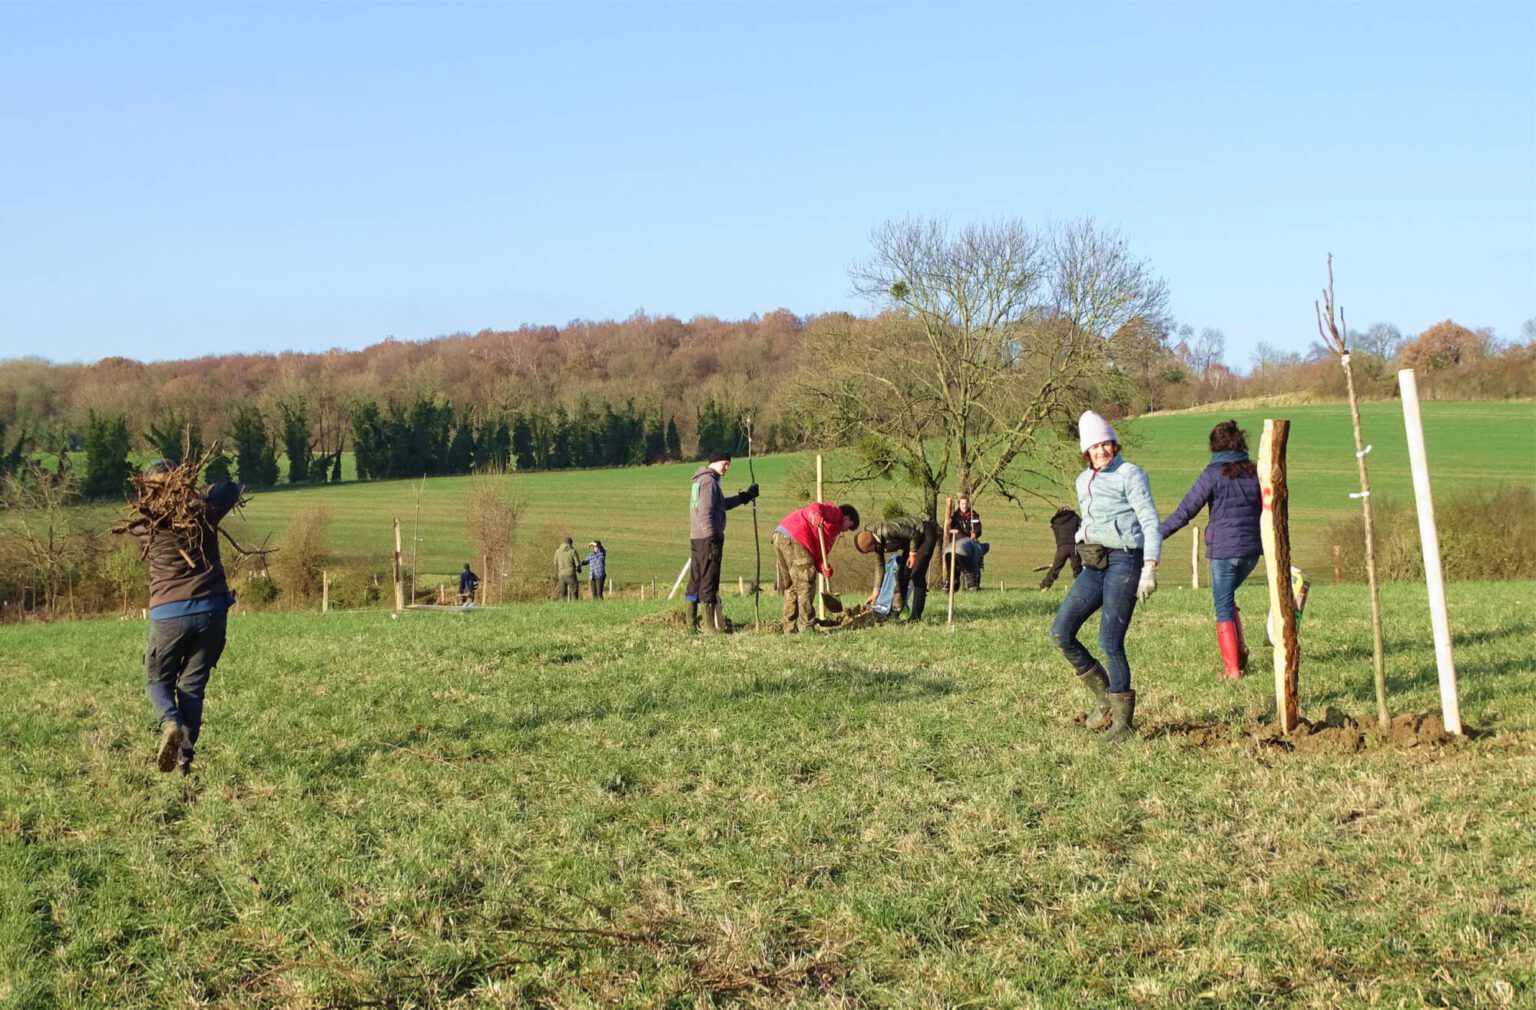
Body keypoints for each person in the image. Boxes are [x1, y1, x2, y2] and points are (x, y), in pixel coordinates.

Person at [1049, 411, 1162, 743]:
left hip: (1126, 559)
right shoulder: (1082, 481)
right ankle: (1104, 701)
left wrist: (1150, 567)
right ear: (1086, 451)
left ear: (1114, 444)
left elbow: (1150, 521)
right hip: (1094, 562)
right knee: (1060, 633)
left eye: (1106, 444)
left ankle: (1123, 726)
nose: (1101, 451)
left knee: (1109, 641)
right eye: (1094, 446)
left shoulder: (1131, 475)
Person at [127, 460, 244, 776]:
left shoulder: (143, 526)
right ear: (182, 483)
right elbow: (230, 488)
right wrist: (197, 493)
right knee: (192, 686)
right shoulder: (204, 511)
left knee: (158, 680)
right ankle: (184, 760)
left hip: (169, 614)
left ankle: (170, 721)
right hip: (212, 611)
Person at [1158, 420, 1263, 679]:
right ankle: (1240, 653)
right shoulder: (1256, 472)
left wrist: (1157, 534)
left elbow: (1186, 510)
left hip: (1223, 551)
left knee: (1223, 605)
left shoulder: (1212, 474)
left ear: (1214, 446)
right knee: (1227, 598)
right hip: (1251, 551)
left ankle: (1232, 670)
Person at [686, 450, 759, 633]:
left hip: (697, 537)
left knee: (696, 579)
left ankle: (691, 625)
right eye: (724, 463)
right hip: (708, 538)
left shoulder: (700, 480)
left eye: (728, 464)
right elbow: (705, 512)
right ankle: (711, 628)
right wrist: (712, 538)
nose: (726, 467)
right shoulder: (710, 482)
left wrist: (744, 497)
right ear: (713, 462)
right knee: (709, 580)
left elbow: (720, 505)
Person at [771, 501, 860, 633]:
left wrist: (823, 567)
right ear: (847, 518)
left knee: (792, 586)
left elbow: (817, 556)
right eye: (849, 527)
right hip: (796, 536)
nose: (846, 530)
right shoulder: (837, 513)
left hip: (780, 536)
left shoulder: (830, 534)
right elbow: (816, 507)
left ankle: (789, 628)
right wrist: (816, 516)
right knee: (806, 583)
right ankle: (806, 627)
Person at [855, 515, 940, 621]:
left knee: (916, 574)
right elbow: (879, 565)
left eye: (868, 551)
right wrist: (876, 590)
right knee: (901, 576)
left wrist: (912, 553)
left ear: (871, 544)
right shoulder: (876, 544)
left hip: (924, 534)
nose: (870, 553)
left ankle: (915, 618)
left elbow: (913, 534)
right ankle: (893, 614)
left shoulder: (887, 530)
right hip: (912, 543)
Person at [1039, 506, 1083, 590]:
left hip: (1061, 548)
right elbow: (1082, 525)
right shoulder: (1075, 517)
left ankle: (1044, 587)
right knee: (1077, 568)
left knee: (1055, 568)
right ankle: (1081, 588)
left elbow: (1056, 534)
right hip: (1074, 546)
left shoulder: (1056, 521)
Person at [947, 494, 983, 589]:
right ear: (959, 504)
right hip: (958, 543)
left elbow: (979, 529)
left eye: (966, 504)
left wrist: (975, 533)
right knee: (953, 564)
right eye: (962, 504)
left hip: (971, 543)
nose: (964, 506)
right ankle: (951, 584)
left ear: (968, 504)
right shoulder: (955, 516)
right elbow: (954, 530)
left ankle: (974, 584)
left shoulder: (974, 515)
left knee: (974, 562)